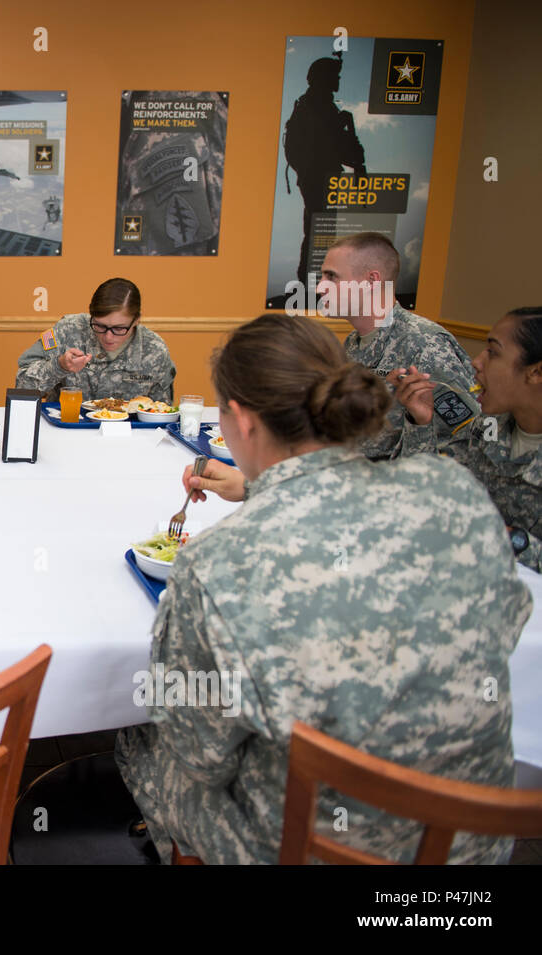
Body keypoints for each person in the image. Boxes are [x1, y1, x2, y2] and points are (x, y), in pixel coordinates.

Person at [117, 313, 529, 865]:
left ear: (239, 418)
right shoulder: (454, 490)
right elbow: (508, 621)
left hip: (310, 848)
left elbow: (200, 756)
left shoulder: (218, 562)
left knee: (138, 740)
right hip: (469, 851)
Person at [389, 306, 542, 572]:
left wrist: (509, 538)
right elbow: (429, 490)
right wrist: (421, 421)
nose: (476, 362)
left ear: (536, 372)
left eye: (493, 352)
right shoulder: (490, 426)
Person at [317, 231, 477, 459]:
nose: (320, 288)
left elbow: (468, 439)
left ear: (372, 281)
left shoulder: (424, 344)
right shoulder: (353, 343)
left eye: (332, 277)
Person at [14, 278, 175, 402]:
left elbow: (161, 413)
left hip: (128, 438)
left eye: (119, 329)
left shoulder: (155, 350)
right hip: (67, 432)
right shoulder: (67, 330)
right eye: (99, 326)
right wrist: (59, 366)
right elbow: (22, 389)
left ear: (137, 320)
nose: (108, 337)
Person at [282, 54, 366, 289]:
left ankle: (314, 280)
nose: (338, 80)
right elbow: (333, 145)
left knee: (319, 228)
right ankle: (312, 281)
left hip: (319, 176)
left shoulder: (319, 105)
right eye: (334, 76)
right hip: (318, 176)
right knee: (319, 228)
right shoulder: (316, 106)